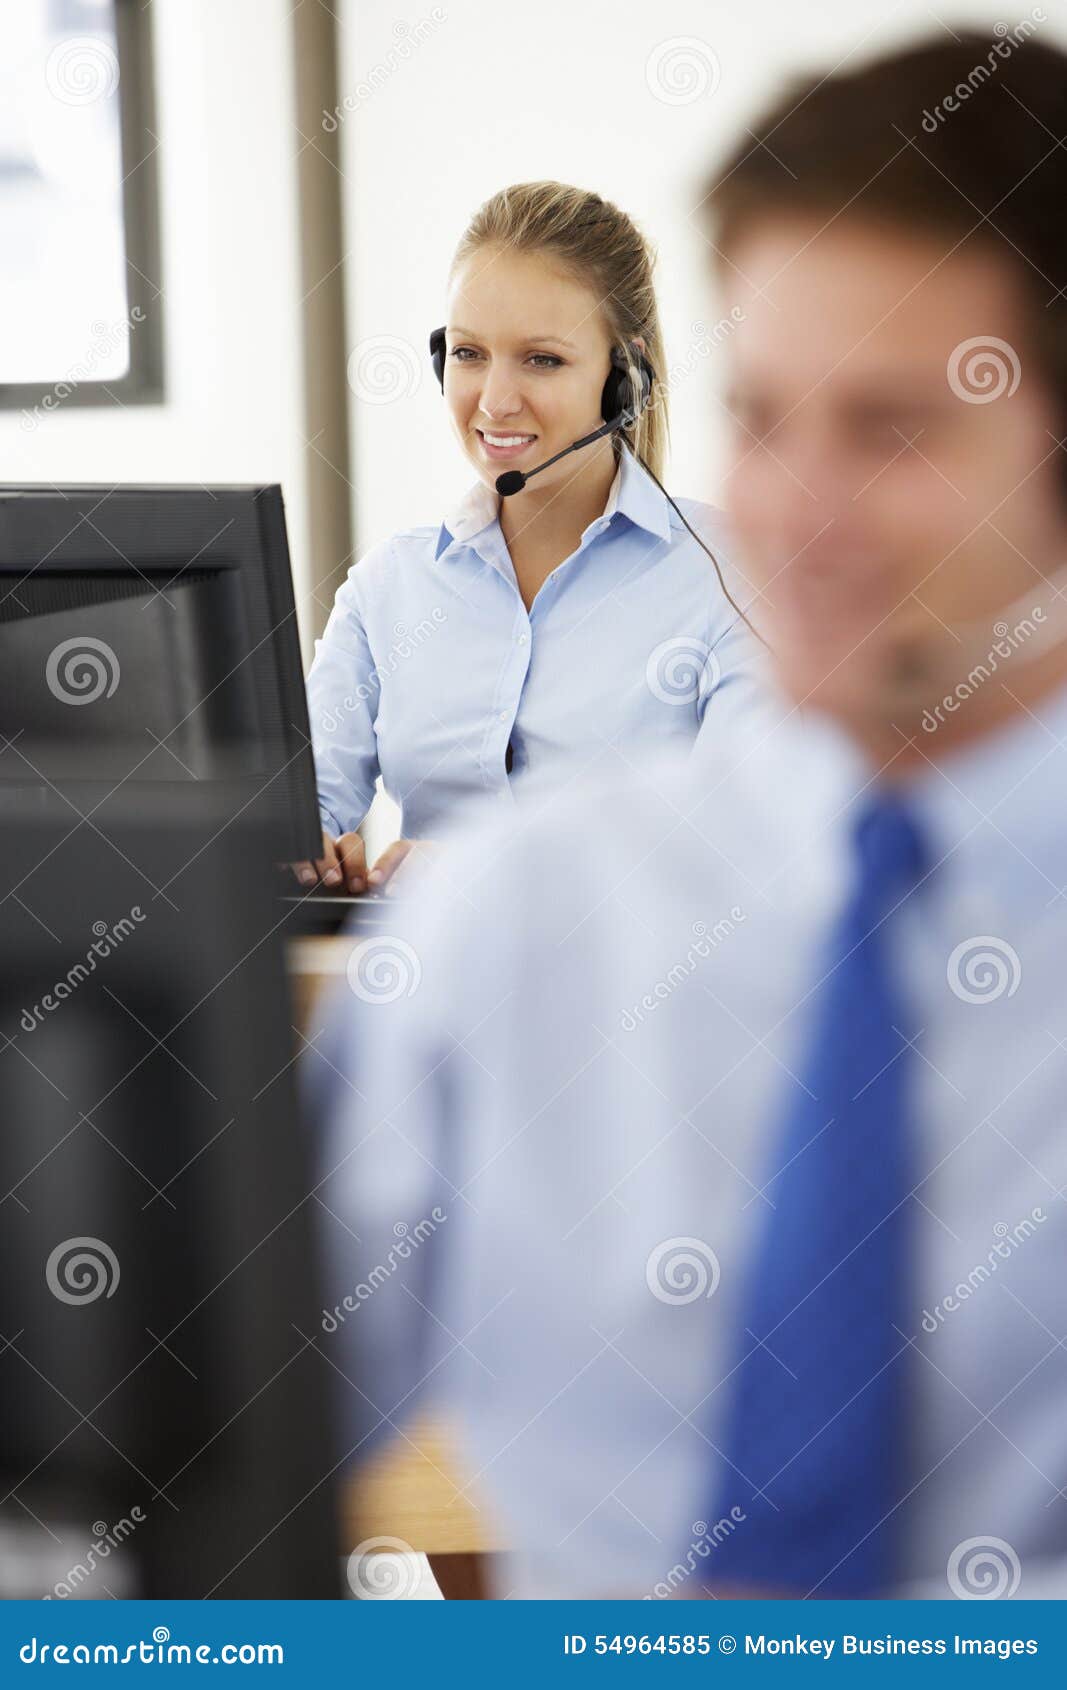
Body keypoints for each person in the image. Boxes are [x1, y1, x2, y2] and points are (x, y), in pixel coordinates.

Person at [309, 29, 1067, 1600]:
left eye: (888, 429)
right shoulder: (508, 928)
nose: (795, 509)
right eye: (769, 418)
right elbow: (205, 1455)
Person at [294, 180, 769, 892]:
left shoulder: (733, 575)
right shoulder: (387, 588)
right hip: (421, 985)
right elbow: (300, 808)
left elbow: (746, 833)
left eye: (541, 359)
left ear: (624, 380)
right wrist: (309, 854)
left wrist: (496, 875)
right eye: (468, 353)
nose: (494, 400)